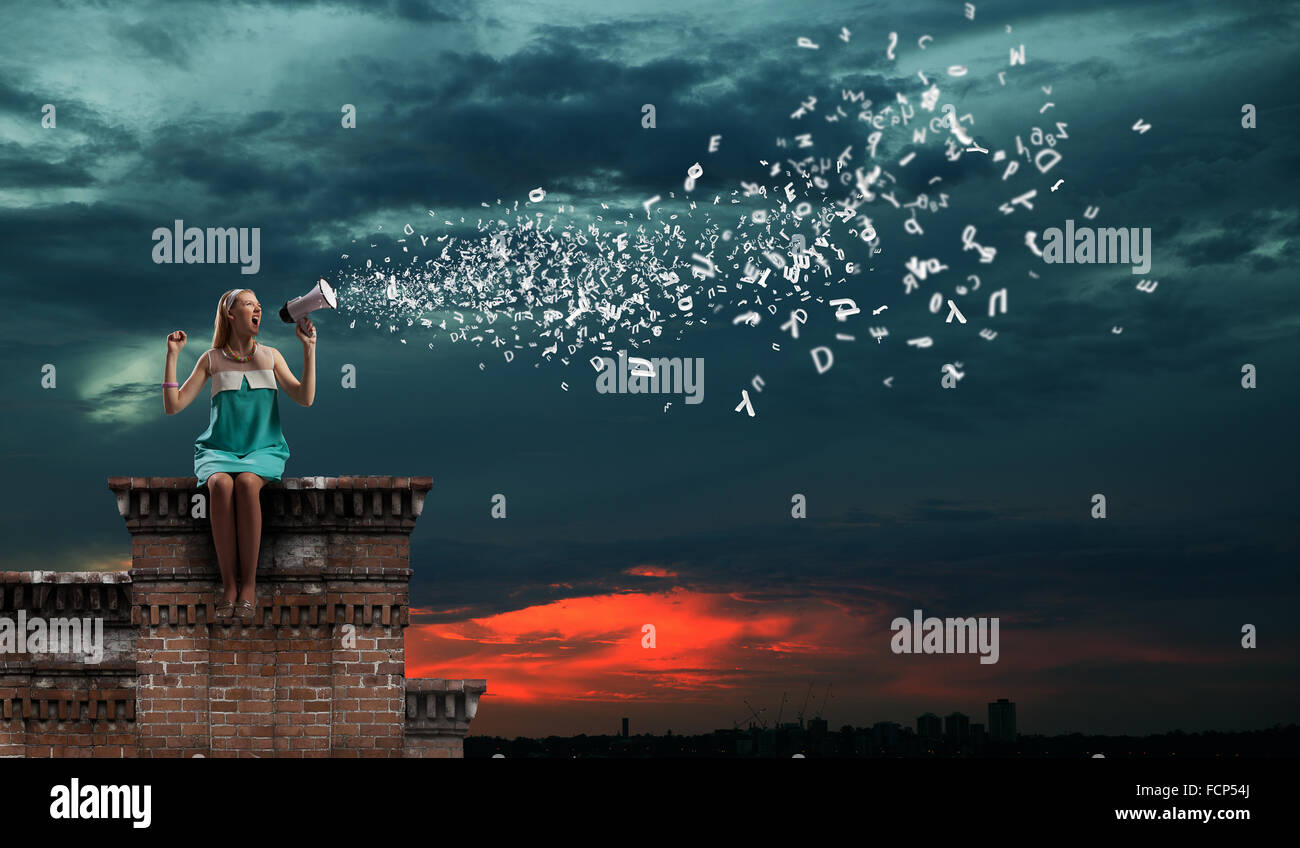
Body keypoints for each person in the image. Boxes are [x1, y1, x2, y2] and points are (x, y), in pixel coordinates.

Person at [162, 289, 316, 624]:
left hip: (263, 448)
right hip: (219, 450)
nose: (257, 309)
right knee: (220, 485)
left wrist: (309, 350)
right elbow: (173, 406)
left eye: (259, 306)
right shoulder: (211, 359)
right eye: (249, 304)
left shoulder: (272, 356)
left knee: (247, 484)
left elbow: (304, 398)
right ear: (231, 314)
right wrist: (172, 354)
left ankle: (249, 586)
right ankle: (228, 585)